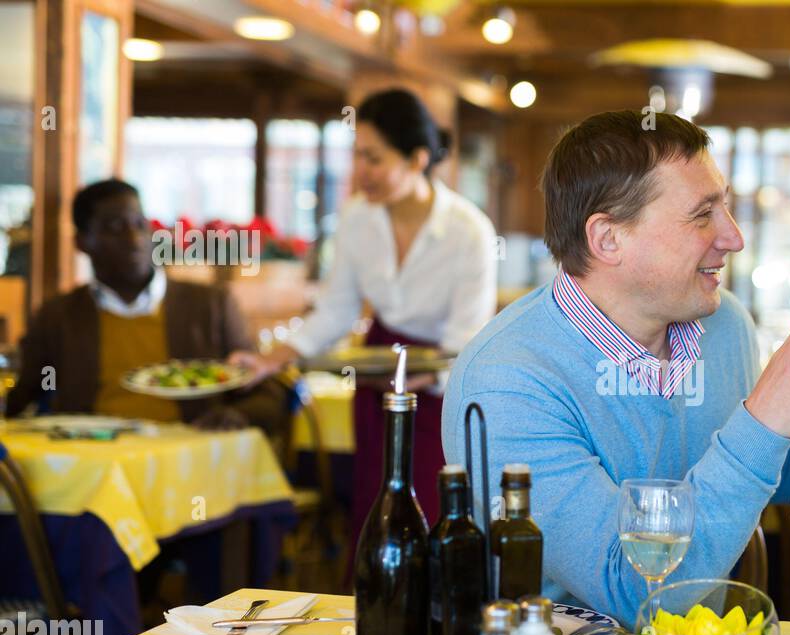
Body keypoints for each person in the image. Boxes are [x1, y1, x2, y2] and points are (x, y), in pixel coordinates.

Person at [443, 110, 790, 627]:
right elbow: (637, 593)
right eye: (703, 214)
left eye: (727, 207)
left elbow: (767, 462)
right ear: (608, 239)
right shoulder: (506, 382)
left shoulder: (724, 326)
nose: (734, 237)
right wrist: (767, 418)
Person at [231, 87, 498, 534]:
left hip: (443, 383)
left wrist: (428, 376)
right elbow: (336, 310)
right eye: (357, 156)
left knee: (432, 506)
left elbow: (468, 337)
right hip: (377, 368)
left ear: (416, 159)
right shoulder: (357, 217)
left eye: (374, 159)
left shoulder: (468, 231)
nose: (359, 172)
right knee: (376, 505)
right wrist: (269, 360)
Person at [7, 179, 287, 434]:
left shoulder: (211, 306)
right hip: (96, 463)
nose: (134, 239)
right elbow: (23, 395)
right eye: (115, 228)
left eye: (139, 224)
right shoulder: (59, 316)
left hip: (190, 457)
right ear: (83, 243)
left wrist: (237, 414)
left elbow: (266, 395)